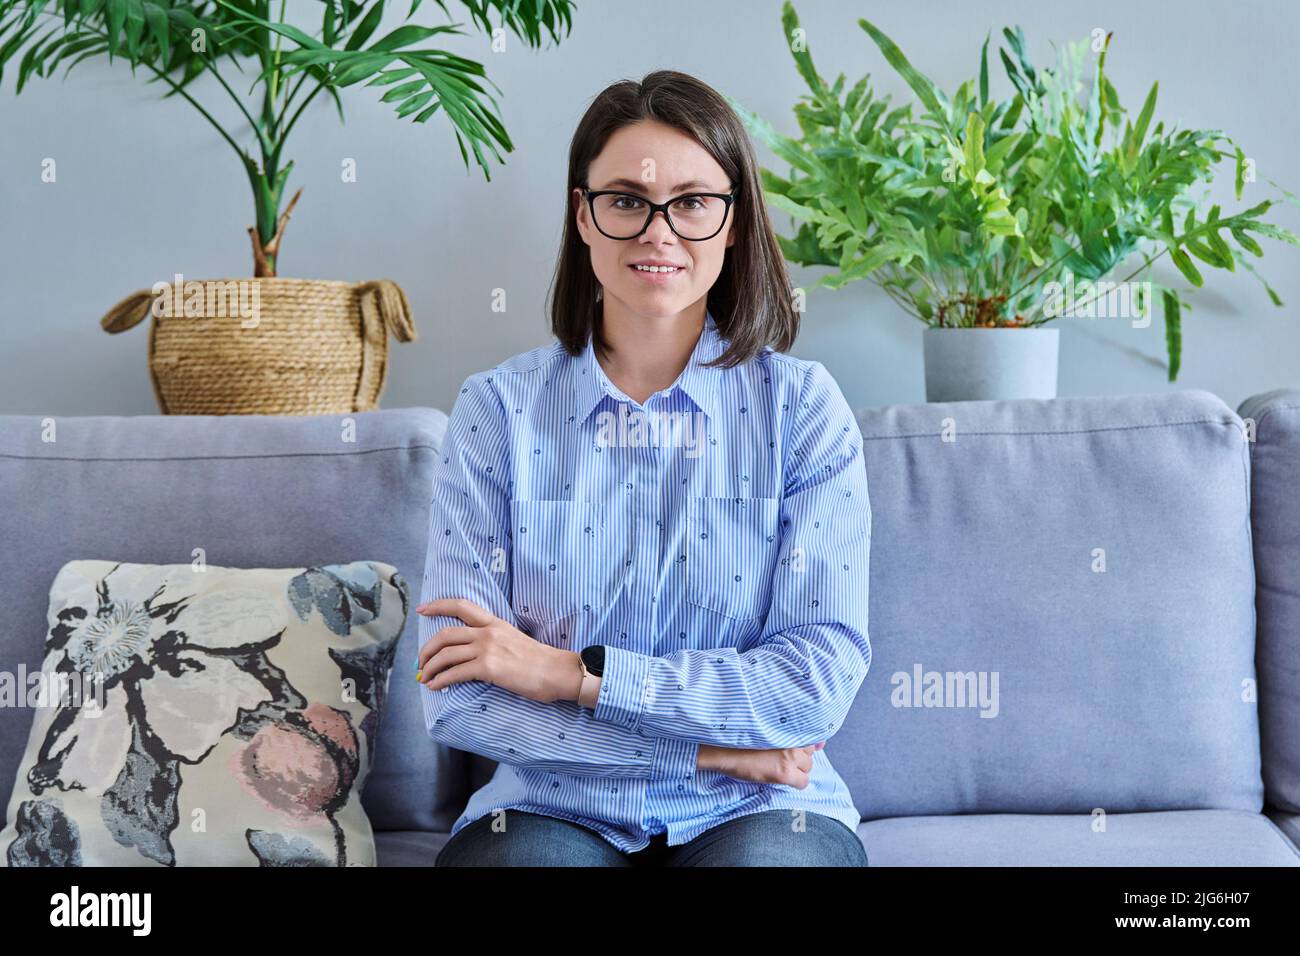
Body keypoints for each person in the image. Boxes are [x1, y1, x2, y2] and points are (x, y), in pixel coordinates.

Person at [415, 69, 871, 867]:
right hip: (548, 807)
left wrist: (572, 674)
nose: (659, 232)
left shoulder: (802, 409)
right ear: (583, 217)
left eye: (693, 202)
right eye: (627, 200)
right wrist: (699, 751)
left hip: (761, 803)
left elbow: (813, 684)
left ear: (734, 224)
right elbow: (462, 703)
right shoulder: (498, 412)